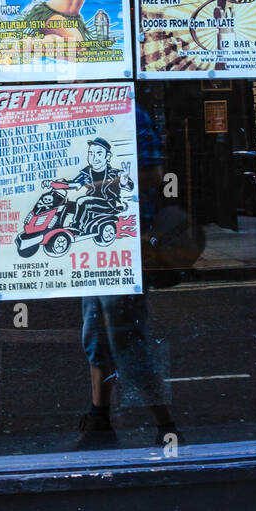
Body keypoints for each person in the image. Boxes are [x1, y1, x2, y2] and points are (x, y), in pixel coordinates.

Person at [77, 106, 181, 450]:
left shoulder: (129, 111)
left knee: (126, 336)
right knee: (95, 333)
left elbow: (154, 174)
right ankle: (99, 419)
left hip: (124, 240)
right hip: (87, 244)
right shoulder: (69, 111)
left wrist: (99, 185)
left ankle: (167, 426)